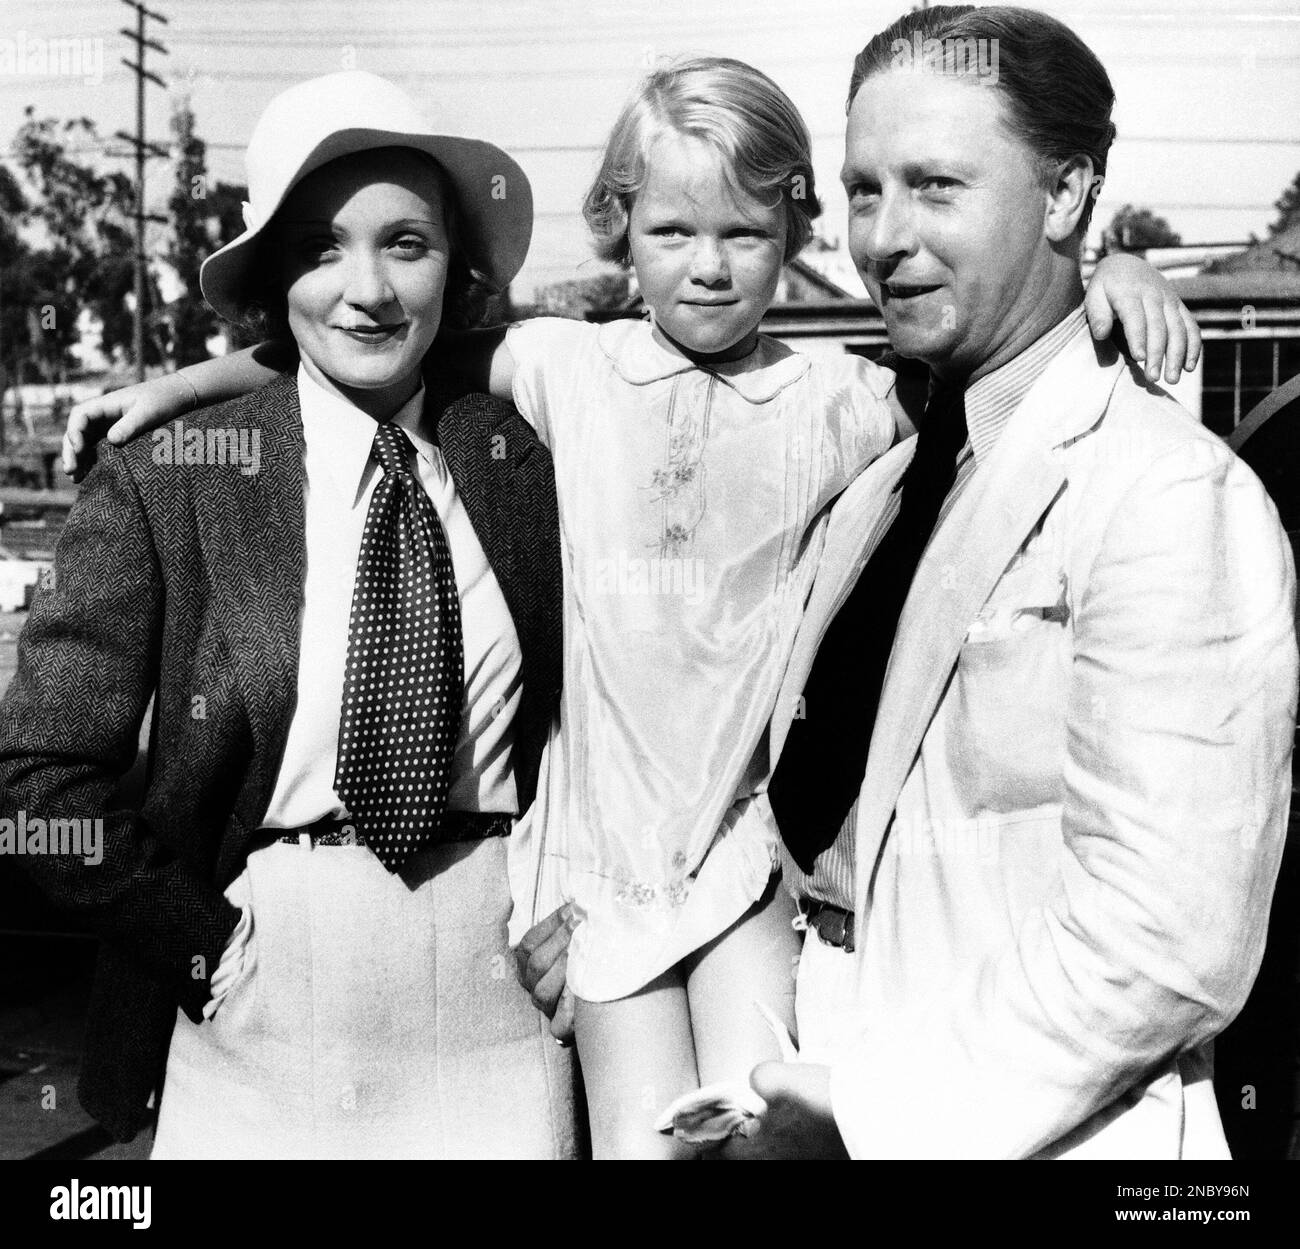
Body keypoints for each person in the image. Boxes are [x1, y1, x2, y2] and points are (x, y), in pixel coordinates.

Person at [64, 56, 1200, 1159]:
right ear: (619, 227)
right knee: (641, 1142)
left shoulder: (842, 397)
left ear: (792, 236)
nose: (708, 268)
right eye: (671, 233)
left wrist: (1108, 274)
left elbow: (1006, 363)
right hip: (569, 878)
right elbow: (356, 343)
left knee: (762, 1126)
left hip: (729, 857)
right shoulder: (566, 368)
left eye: (744, 235)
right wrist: (182, 387)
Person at [741, 5, 1297, 1158]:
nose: (882, 238)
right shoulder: (874, 494)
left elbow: (1165, 937)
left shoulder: (1161, 493)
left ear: (1065, 196)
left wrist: (866, 1115)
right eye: (862, 189)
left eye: (936, 185)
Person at [0, 69, 579, 1158]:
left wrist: (603, 909)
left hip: (504, 1000)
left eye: (405, 243)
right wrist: (202, 946)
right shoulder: (174, 474)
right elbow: (33, 787)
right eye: (320, 246)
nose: (367, 289)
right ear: (272, 272)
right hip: (256, 1002)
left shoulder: (533, 460)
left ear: (456, 269)